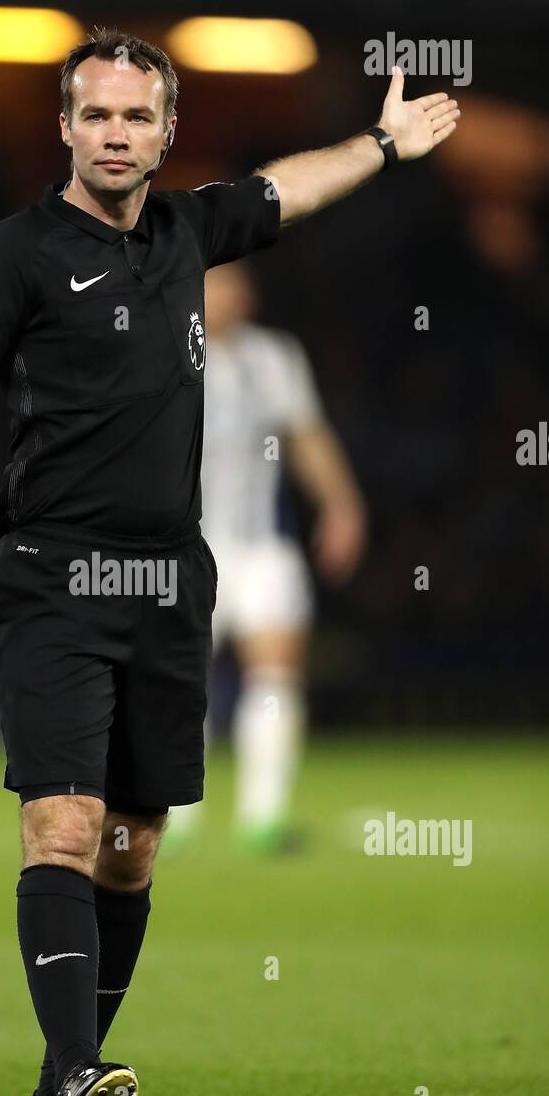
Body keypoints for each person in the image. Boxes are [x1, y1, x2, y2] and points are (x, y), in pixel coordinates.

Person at [0, 26, 460, 1096]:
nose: (115, 133)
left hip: (169, 582)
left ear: (165, 132)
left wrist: (382, 144)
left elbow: (280, 191)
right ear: (64, 126)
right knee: (59, 822)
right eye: (94, 114)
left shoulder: (183, 234)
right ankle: (72, 1078)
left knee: (133, 844)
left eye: (136, 116)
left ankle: (61, 1081)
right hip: (49, 575)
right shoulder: (8, 257)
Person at [166, 261, 367, 854]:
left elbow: (306, 434)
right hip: (180, 550)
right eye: (211, 284)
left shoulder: (275, 357)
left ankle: (265, 816)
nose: (225, 295)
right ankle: (173, 818)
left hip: (260, 547)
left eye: (233, 283)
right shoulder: (159, 352)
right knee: (178, 680)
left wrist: (342, 506)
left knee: (276, 672)